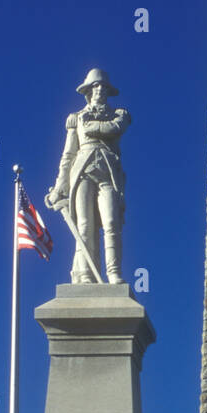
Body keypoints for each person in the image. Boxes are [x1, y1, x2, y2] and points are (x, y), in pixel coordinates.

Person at [45, 68, 130, 284]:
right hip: (82, 171)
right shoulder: (76, 119)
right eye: (96, 85)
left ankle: (114, 274)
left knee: (111, 222)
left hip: (108, 173)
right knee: (84, 225)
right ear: (89, 91)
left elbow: (114, 129)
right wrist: (58, 187)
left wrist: (92, 127)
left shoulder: (119, 114)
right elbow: (68, 155)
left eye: (103, 86)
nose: (100, 89)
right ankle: (87, 276)